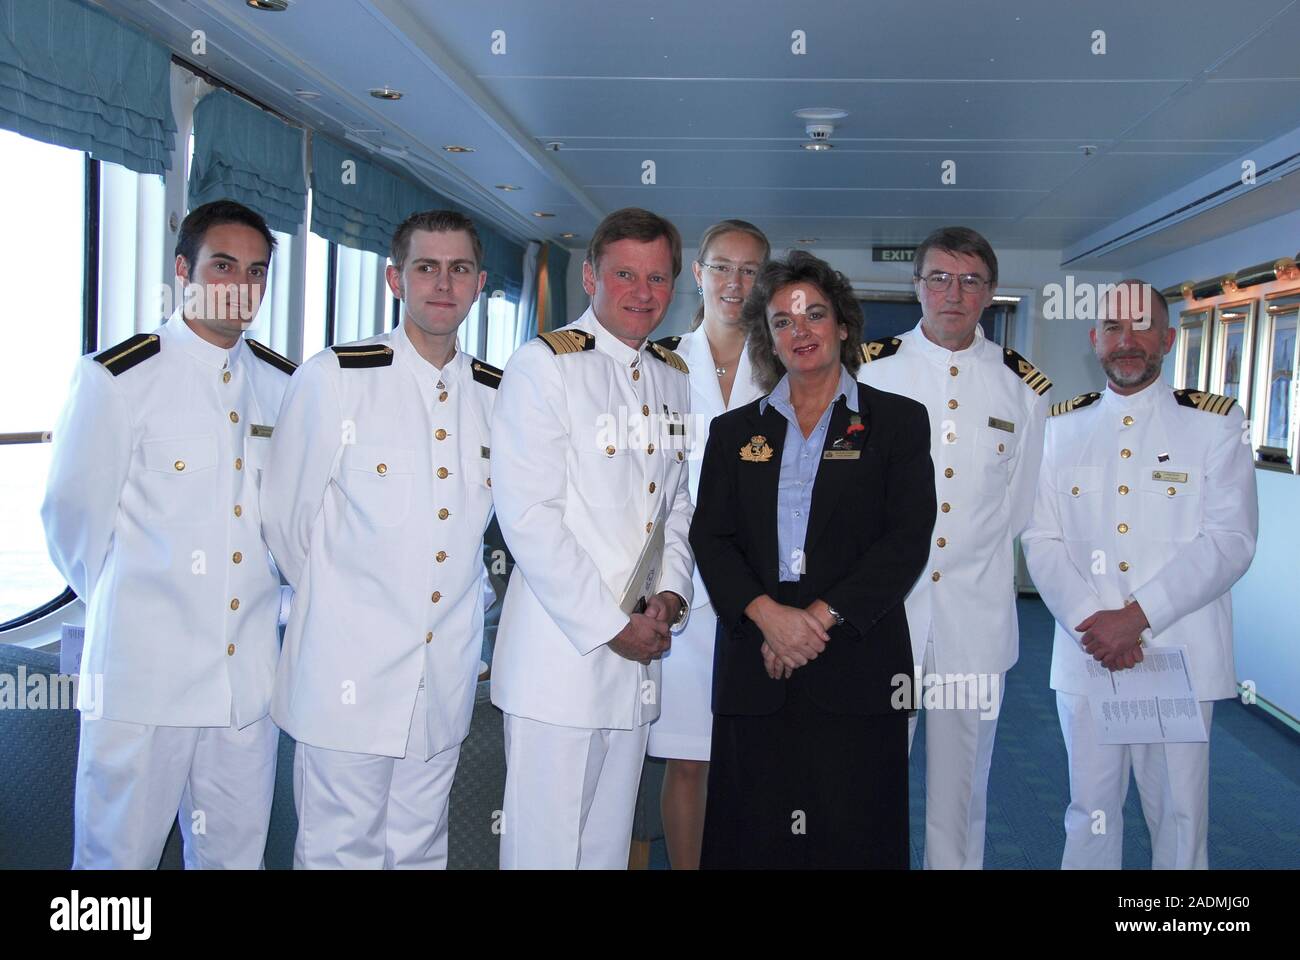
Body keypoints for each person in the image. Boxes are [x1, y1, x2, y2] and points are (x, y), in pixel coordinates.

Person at [42, 199, 295, 868]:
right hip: (141, 680)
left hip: (244, 685)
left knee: (233, 857)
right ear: (183, 270)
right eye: (223, 265)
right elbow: (73, 524)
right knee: (114, 861)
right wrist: (133, 616)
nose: (242, 285)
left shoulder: (282, 386)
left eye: (257, 271)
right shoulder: (120, 378)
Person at [261, 210, 501, 869]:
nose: (442, 284)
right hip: (348, 673)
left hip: (442, 676)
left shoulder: (494, 394)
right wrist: (350, 611)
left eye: (458, 270)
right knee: (341, 852)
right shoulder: (338, 377)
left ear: (479, 283)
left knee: (420, 849)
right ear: (396, 278)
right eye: (426, 267)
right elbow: (287, 522)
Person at [690, 251, 935, 869]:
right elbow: (710, 539)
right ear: (768, 338)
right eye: (782, 321)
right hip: (756, 660)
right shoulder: (733, 431)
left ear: (844, 325)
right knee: (752, 835)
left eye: (814, 315)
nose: (799, 332)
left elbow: (905, 540)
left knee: (854, 835)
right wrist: (769, 617)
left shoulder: (898, 424)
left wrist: (814, 620)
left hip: (855, 657)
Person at [1022, 281, 1258, 869]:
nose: (1128, 341)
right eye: (1114, 329)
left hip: (1175, 654)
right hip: (1089, 653)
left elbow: (1230, 541)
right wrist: (1093, 624)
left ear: (1169, 338)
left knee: (1179, 815)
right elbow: (1040, 539)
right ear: (1094, 339)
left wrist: (1136, 618)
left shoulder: (1213, 425)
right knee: (1089, 810)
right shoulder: (1059, 428)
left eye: (1143, 327)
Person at [490, 207, 695, 869]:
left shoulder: (671, 377)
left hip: (635, 661)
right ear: (590, 277)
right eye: (625, 275)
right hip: (563, 658)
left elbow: (676, 505)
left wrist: (672, 593)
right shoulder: (543, 367)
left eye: (657, 277)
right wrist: (610, 625)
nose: (643, 292)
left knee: (606, 849)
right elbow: (529, 518)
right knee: (546, 851)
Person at [856, 226, 1051, 869]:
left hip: (974, 621)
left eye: (970, 281)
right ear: (916, 286)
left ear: (990, 294)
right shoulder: (869, 369)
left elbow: (1019, 507)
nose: (953, 293)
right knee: (869, 780)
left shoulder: (1022, 390)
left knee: (963, 791)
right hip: (882, 618)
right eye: (939, 277)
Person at [648, 218, 770, 870]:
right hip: (682, 587)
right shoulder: (661, 363)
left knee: (753, 761)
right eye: (723, 266)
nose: (735, 283)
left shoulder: (784, 369)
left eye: (750, 270)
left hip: (760, 592)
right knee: (690, 759)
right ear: (698, 273)